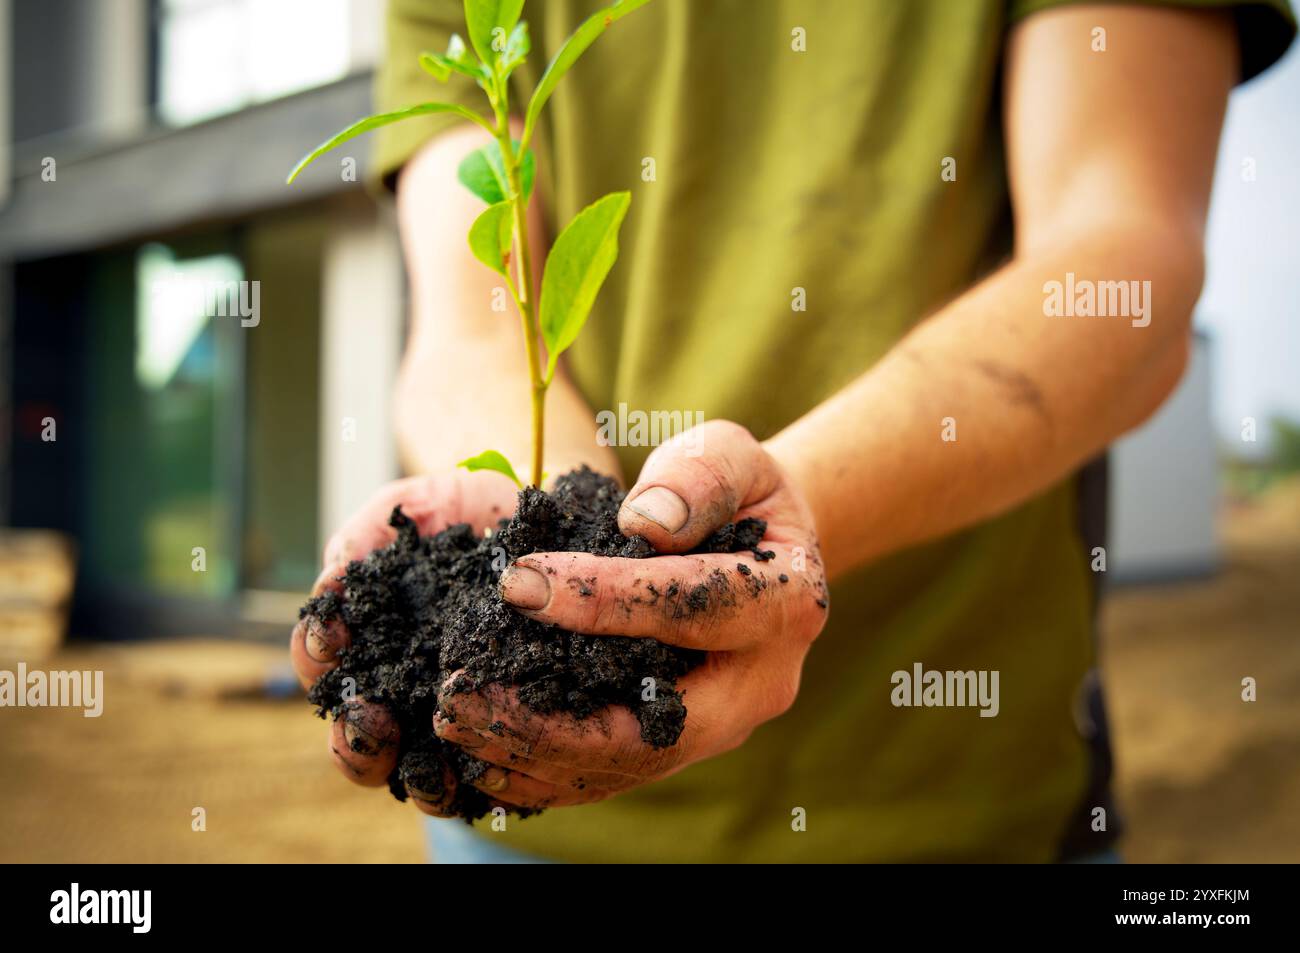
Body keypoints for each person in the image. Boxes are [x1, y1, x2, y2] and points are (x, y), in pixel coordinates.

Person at [290, 0, 1295, 862]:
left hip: (949, 807)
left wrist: (778, 516)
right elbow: (470, 321)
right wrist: (564, 530)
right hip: (514, 829)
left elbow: (1119, 268)